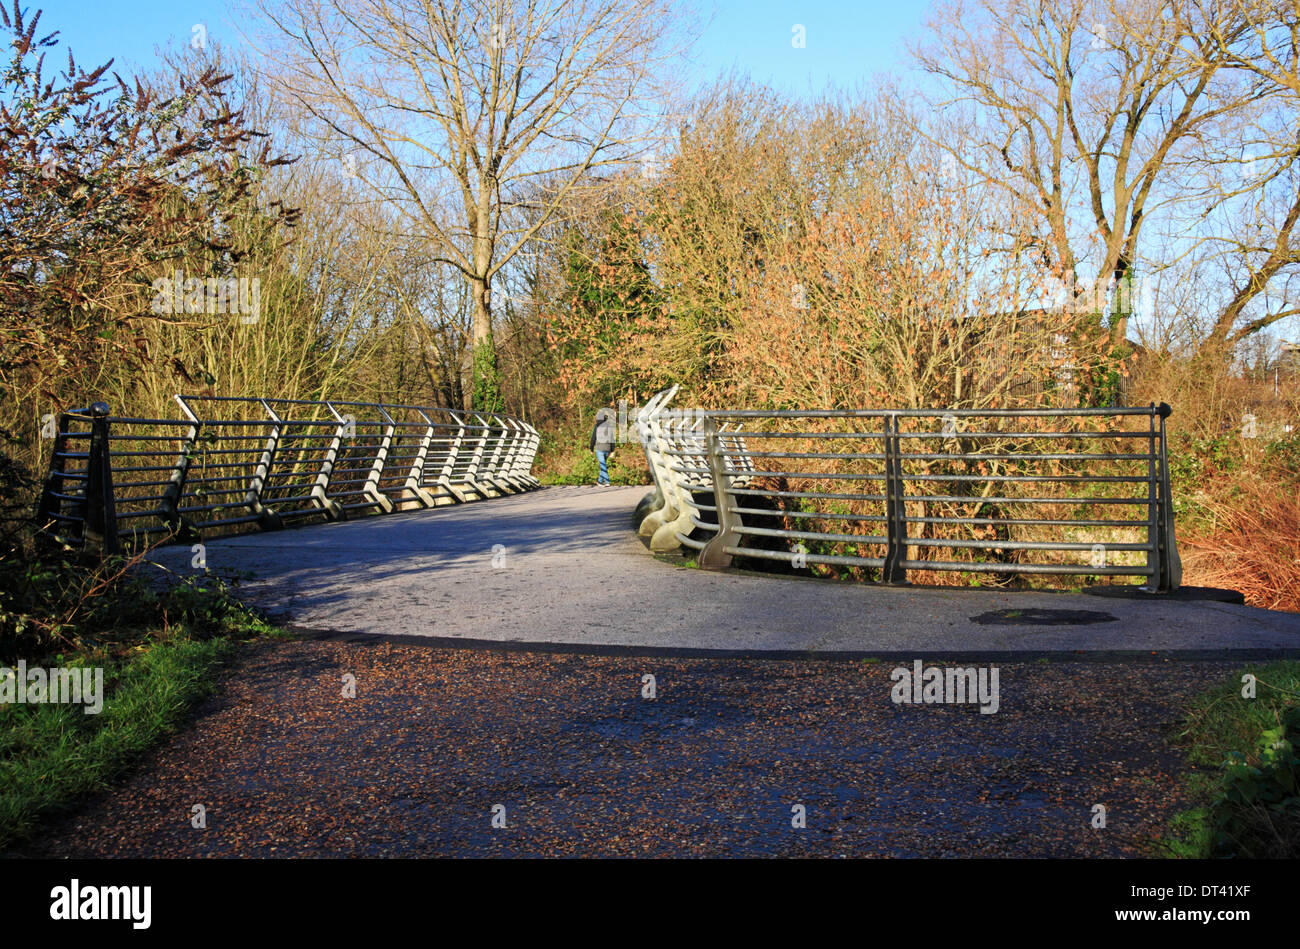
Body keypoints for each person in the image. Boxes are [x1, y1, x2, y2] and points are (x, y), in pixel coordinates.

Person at [589, 407, 616, 486]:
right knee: (603, 465)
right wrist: (612, 450)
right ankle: (600, 481)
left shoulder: (597, 426)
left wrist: (591, 448)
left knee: (603, 465)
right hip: (607, 449)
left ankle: (607, 481)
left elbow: (593, 438)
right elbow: (612, 439)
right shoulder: (609, 426)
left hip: (600, 449)